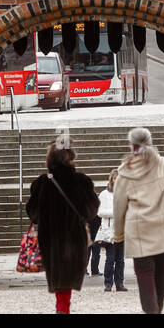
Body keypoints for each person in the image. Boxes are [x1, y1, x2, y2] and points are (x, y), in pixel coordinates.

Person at [113, 126, 164, 314]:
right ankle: (157, 310)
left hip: (139, 230)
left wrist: (118, 235)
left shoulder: (125, 171)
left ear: (131, 145)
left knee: (145, 278)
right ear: (151, 143)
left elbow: (119, 206)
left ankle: (152, 311)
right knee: (160, 278)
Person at [26, 129, 99, 314]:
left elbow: (33, 213)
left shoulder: (42, 183)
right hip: (75, 239)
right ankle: (63, 309)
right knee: (68, 280)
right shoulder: (82, 182)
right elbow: (91, 211)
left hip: (51, 239)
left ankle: (62, 308)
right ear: (71, 157)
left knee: (60, 281)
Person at [95, 168, 127, 292]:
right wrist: (115, 212)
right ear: (111, 179)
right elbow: (99, 212)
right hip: (110, 231)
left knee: (120, 260)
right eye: (115, 178)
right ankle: (108, 283)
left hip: (122, 230)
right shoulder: (104, 194)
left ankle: (120, 283)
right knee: (110, 259)